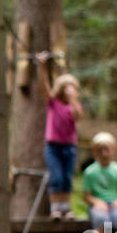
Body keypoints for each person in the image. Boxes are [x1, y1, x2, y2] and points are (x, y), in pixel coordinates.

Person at [35, 55, 83, 217]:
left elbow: (77, 116)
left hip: (69, 147)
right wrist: (41, 66)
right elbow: (44, 87)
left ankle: (66, 208)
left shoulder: (74, 105)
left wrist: (73, 99)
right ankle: (55, 208)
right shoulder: (53, 103)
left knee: (67, 178)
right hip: (53, 146)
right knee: (56, 177)